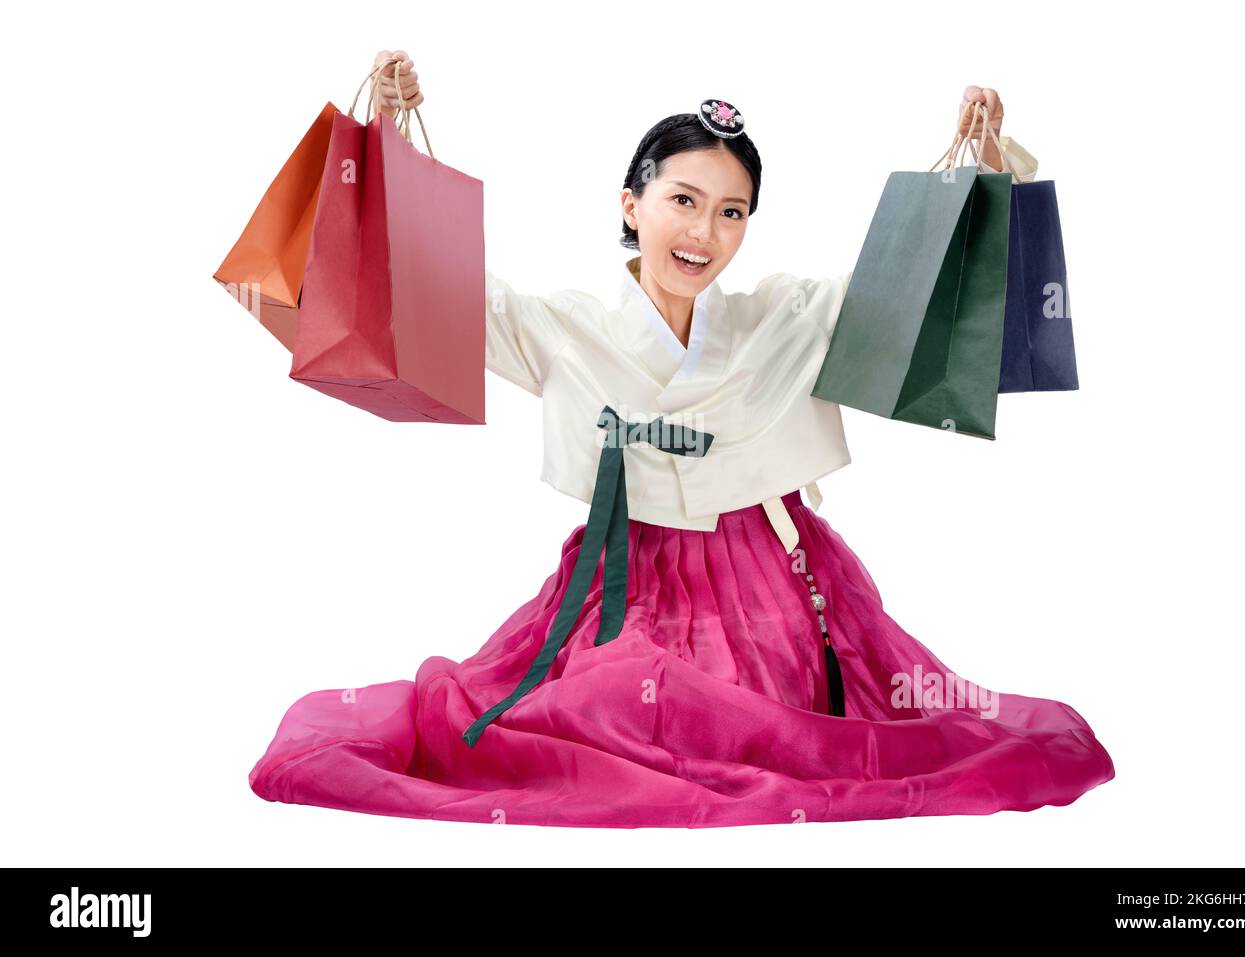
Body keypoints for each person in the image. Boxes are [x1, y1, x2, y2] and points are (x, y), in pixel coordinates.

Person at [246, 50, 1115, 827]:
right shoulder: (566, 330)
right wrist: (390, 141)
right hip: (619, 578)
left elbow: (914, 286)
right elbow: (436, 287)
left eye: (732, 212)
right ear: (634, 202)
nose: (704, 232)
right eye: (684, 201)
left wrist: (987, 162)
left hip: (768, 582)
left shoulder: (785, 317)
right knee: (585, 718)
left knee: (772, 733)